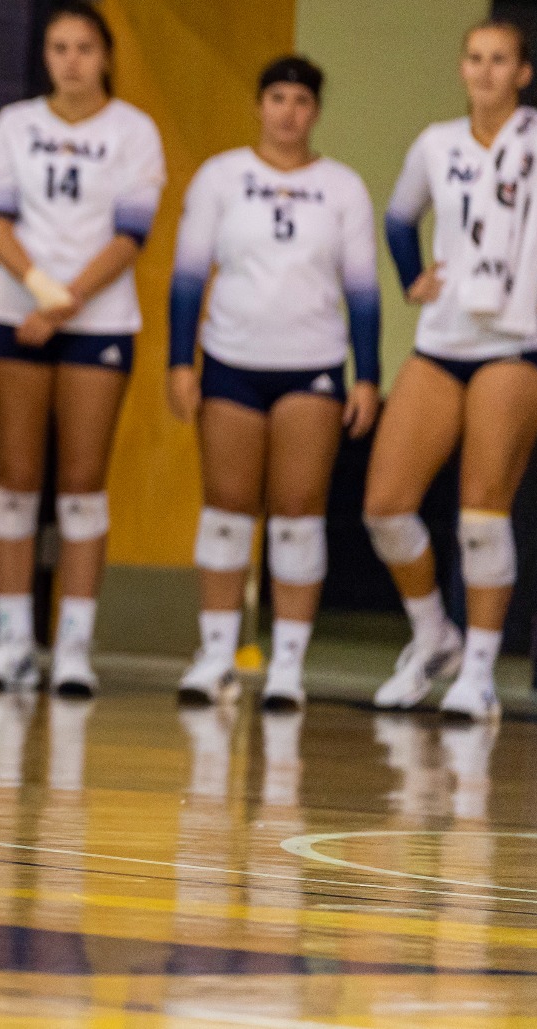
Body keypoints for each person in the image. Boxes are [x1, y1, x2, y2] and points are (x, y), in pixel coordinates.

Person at [366, 20, 537, 722]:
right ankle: (433, 636)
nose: (486, 71)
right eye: (475, 58)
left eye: (500, 59)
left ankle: (479, 670)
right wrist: (412, 275)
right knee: (385, 505)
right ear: (462, 67)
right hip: (443, 336)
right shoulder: (436, 143)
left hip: (518, 339)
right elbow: (399, 216)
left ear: (523, 72)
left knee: (481, 509)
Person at [166, 57, 381, 709]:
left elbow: (363, 288)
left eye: (301, 100)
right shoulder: (221, 176)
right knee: (226, 509)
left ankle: (288, 665)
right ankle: (215, 656)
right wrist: (180, 361)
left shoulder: (342, 187)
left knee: (297, 513)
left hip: (311, 363)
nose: (289, 112)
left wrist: (367, 375)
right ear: (260, 104)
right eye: (278, 98)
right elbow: (188, 274)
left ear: (316, 111)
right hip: (231, 358)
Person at [0, 1, 165, 698]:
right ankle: (12, 642)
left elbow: (130, 236)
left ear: (106, 55)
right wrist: (40, 288)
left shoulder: (134, 131)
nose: (72, 60)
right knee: (14, 477)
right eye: (59, 47)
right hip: (17, 312)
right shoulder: (14, 124)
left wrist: (66, 302)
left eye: (84, 47)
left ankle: (75, 649)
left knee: (82, 482)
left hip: (96, 319)